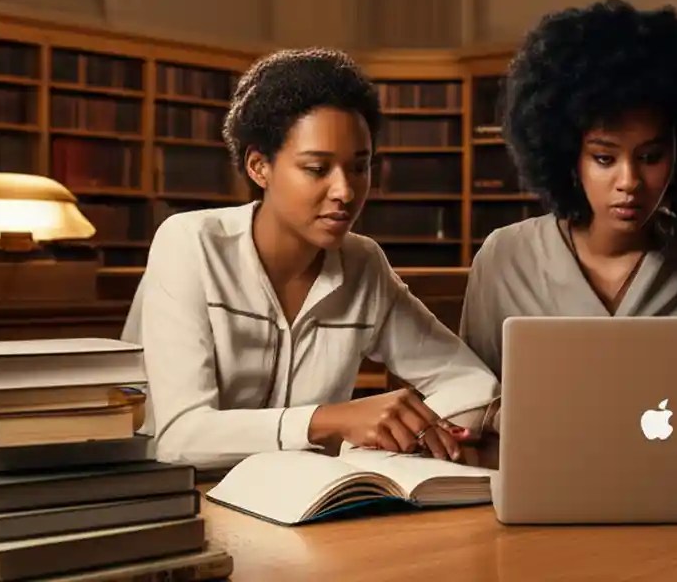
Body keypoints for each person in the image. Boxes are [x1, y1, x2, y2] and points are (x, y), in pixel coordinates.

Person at [123, 48, 501, 471]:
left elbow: (471, 383)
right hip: (172, 495)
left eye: (360, 167)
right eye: (318, 168)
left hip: (302, 500)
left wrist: (414, 428)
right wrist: (331, 420)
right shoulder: (190, 244)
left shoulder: (364, 264)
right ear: (259, 166)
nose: (345, 191)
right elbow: (179, 437)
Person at [460, 0, 677, 379]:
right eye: (604, 159)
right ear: (569, 155)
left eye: (651, 157)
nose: (629, 182)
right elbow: (474, 399)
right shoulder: (504, 259)